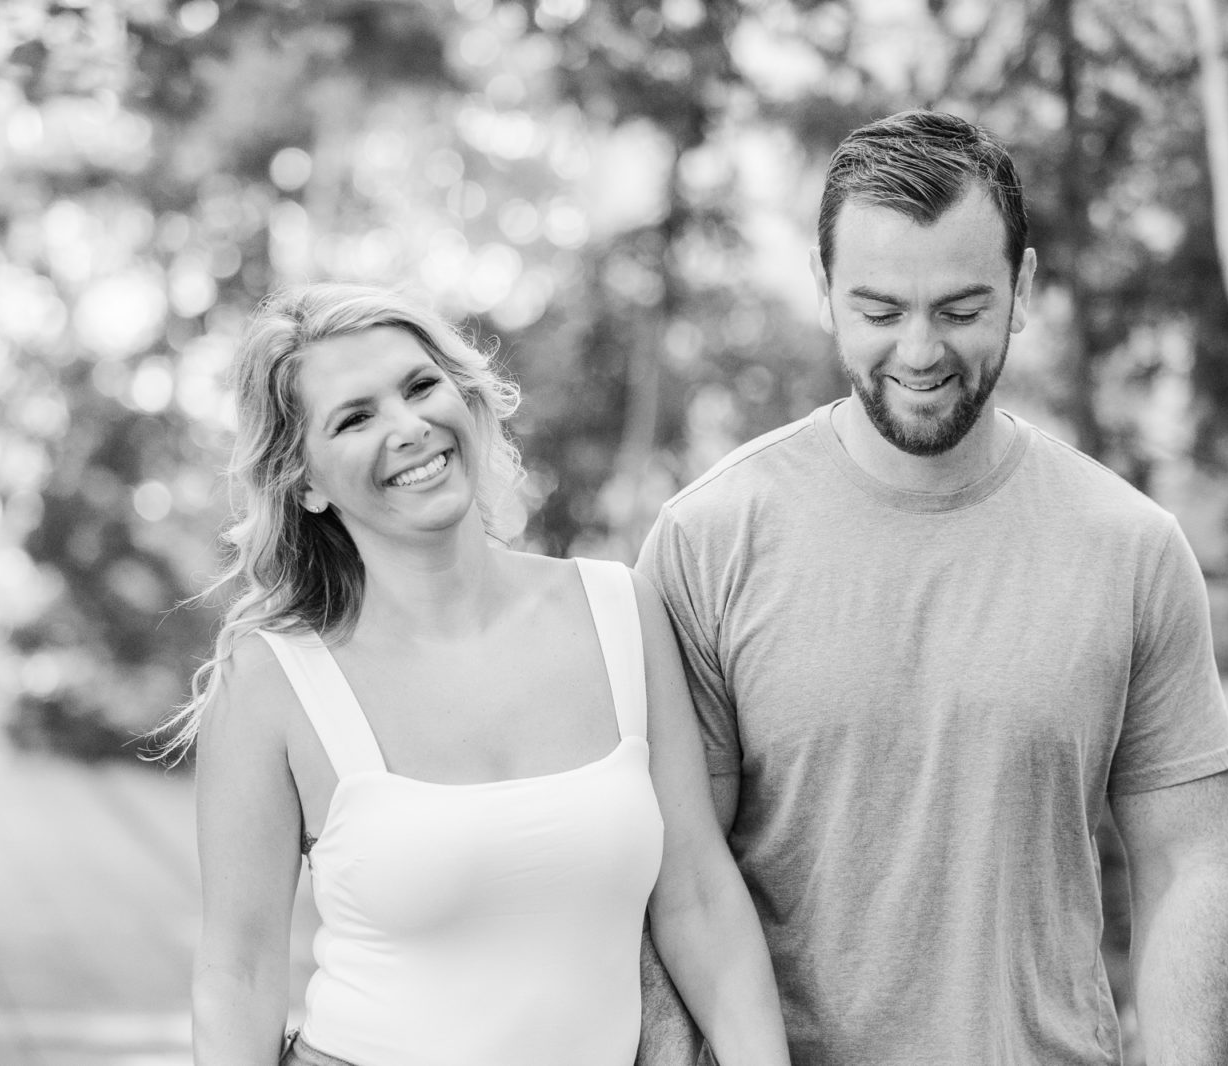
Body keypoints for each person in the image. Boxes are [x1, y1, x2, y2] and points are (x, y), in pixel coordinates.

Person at [637, 109, 1228, 1065]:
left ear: (1022, 288)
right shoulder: (706, 541)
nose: (920, 352)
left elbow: (1188, 863)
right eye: (880, 312)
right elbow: (677, 882)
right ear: (823, 290)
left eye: (960, 310)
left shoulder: (1131, 547)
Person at [161, 282, 791, 1066]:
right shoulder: (270, 680)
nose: (408, 427)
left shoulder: (620, 610)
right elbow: (238, 974)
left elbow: (697, 896)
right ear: (306, 481)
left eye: (420, 387)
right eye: (354, 419)